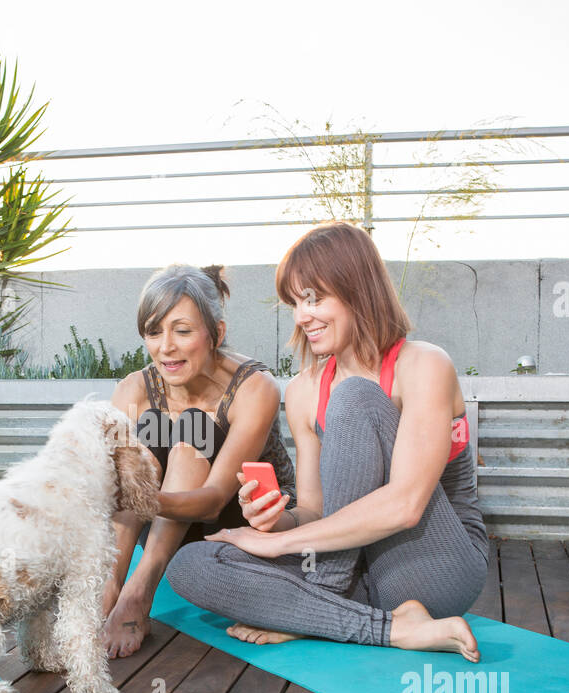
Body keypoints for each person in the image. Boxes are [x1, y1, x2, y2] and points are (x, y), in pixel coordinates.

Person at [164, 223, 489, 661]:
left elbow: (406, 505)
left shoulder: (424, 365)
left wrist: (279, 546)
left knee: (354, 399)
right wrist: (276, 522)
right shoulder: (302, 391)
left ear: (358, 289)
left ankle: (312, 607)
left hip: (428, 568)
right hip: (353, 570)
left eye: (314, 298)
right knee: (192, 564)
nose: (302, 316)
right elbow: (316, 511)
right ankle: (391, 628)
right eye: (296, 302)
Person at [101, 263, 296, 660]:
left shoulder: (254, 387)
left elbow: (212, 499)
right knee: (133, 458)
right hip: (164, 522)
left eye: (183, 331)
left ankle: (140, 592)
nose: (165, 347)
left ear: (216, 333)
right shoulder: (134, 391)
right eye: (154, 332)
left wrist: (136, 497)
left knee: (193, 431)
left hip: (239, 521)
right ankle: (106, 593)